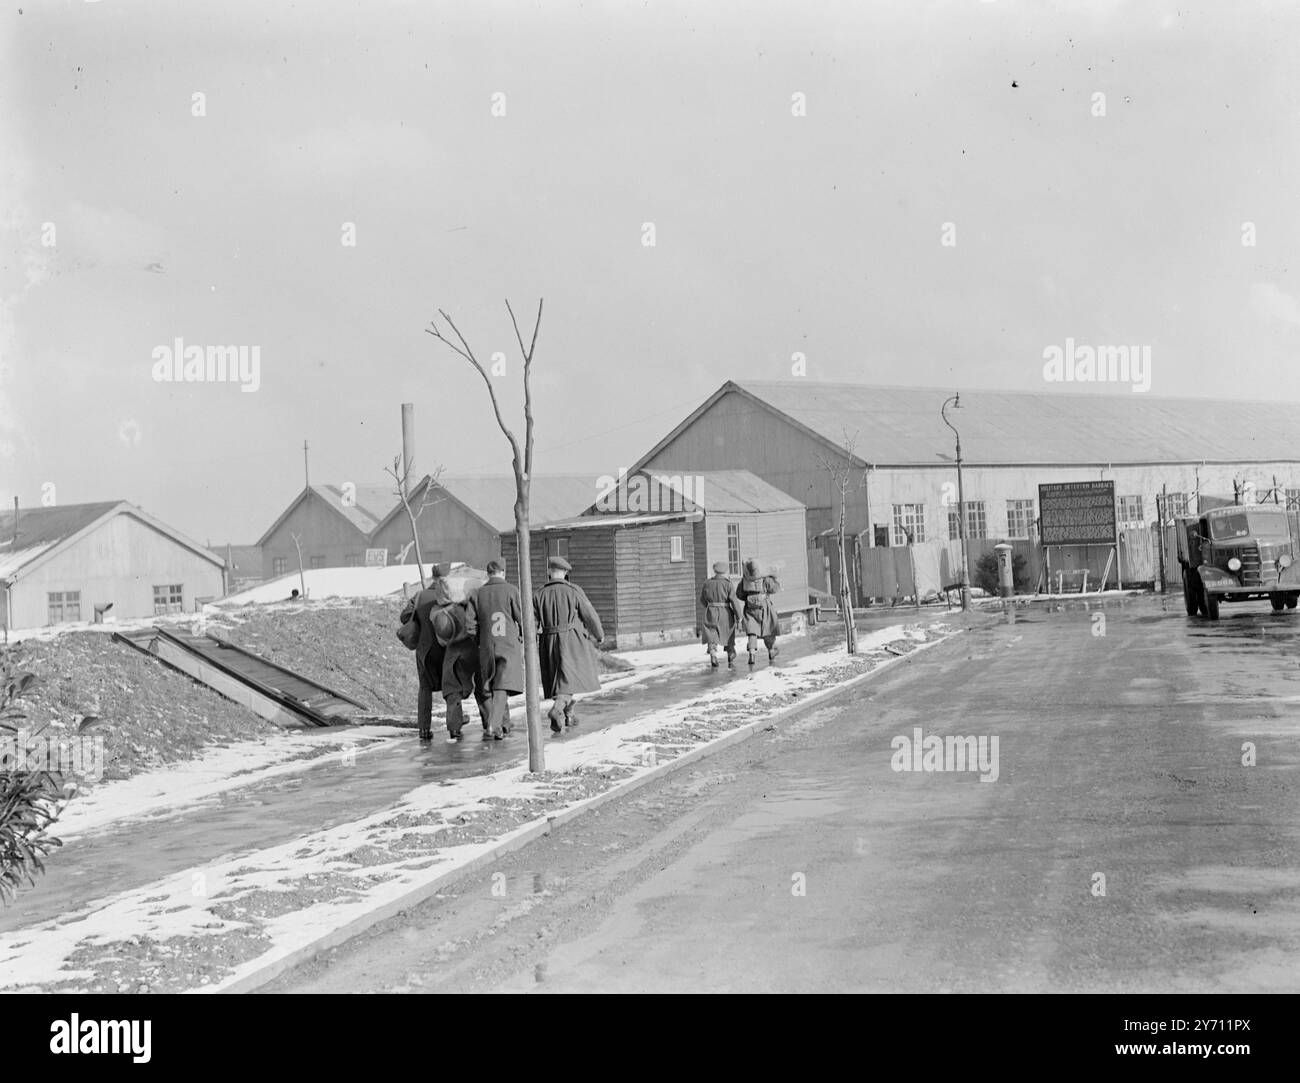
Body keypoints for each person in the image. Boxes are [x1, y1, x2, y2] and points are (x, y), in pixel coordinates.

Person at [534, 555, 604, 733]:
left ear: (550, 572)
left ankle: (569, 715)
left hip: (548, 641)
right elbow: (589, 614)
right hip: (572, 640)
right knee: (569, 680)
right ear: (564, 573)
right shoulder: (574, 591)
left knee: (560, 680)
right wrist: (599, 635)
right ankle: (558, 709)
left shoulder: (539, 593)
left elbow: (531, 623)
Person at [474, 558, 525, 740]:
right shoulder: (511, 590)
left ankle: (503, 724)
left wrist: (478, 640)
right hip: (508, 645)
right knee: (502, 686)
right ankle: (493, 725)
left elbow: (469, 624)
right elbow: (521, 617)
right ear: (503, 572)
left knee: (491, 686)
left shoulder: (478, 593)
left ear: (488, 573)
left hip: (486, 646)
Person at [400, 566, 451, 741]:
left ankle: (424, 729)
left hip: (425, 650)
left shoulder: (420, 596)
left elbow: (404, 617)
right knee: (451, 686)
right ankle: (454, 723)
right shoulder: (448, 595)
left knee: (425, 688)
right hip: (446, 648)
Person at [433, 601, 488, 742]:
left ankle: (454, 727)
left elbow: (441, 640)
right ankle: (489, 722)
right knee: (482, 685)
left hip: (453, 650)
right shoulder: (470, 602)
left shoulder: (442, 611)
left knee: (452, 689)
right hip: (473, 647)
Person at [736, 557, 781, 666]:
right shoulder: (765, 579)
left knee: (752, 631)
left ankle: (752, 654)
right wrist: (775, 580)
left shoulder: (745, 580)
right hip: (764, 607)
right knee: (768, 629)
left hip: (750, 608)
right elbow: (774, 589)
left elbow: (739, 594)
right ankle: (771, 651)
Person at [699, 560, 739, 668]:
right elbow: (734, 601)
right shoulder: (728, 584)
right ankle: (730, 654)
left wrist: (710, 606)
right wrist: (738, 615)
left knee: (712, 633)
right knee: (728, 632)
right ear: (725, 571)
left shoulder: (707, 583)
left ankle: (712, 653)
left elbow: (702, 599)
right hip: (725, 611)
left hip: (711, 611)